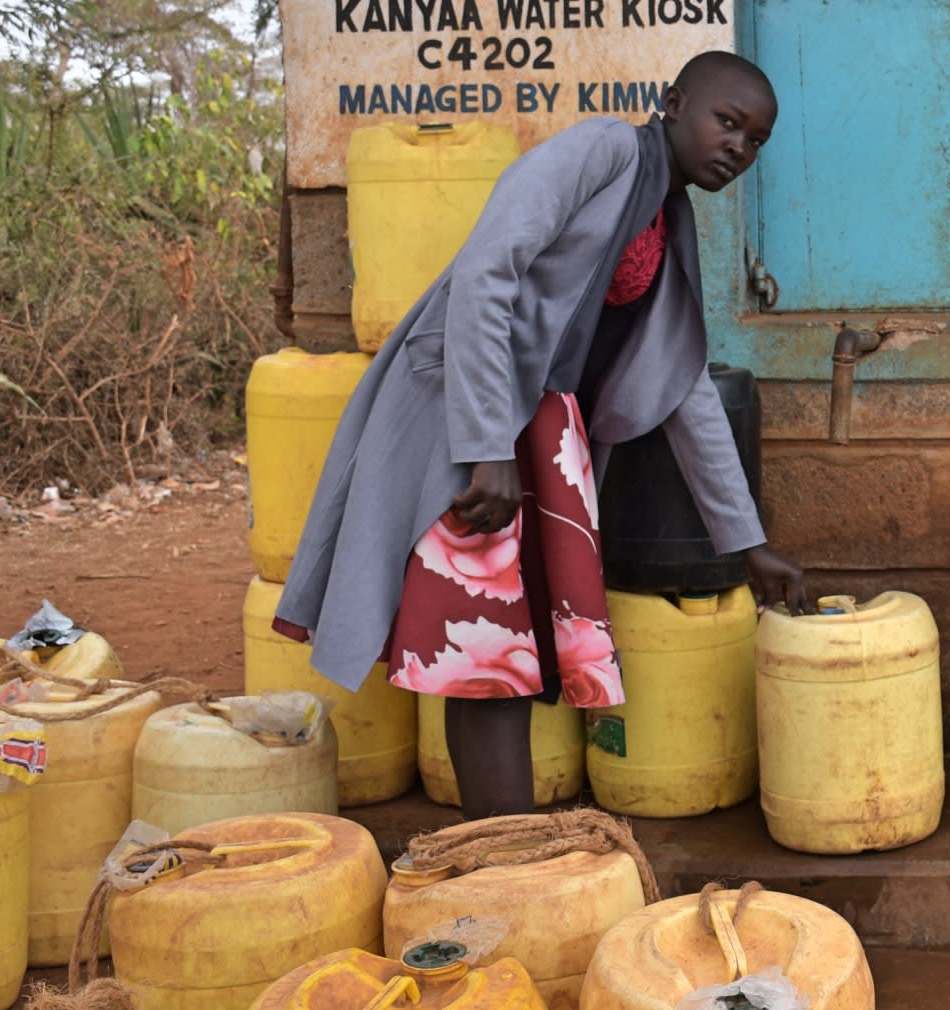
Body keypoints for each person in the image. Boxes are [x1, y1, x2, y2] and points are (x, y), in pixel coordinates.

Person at [275, 50, 809, 818]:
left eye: (755, 140)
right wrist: (487, 447)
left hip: (538, 431)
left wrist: (747, 541)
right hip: (469, 409)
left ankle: (510, 855)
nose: (738, 147)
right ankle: (509, 861)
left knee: (511, 655)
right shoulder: (601, 151)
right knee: (484, 649)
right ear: (673, 101)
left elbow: (682, 382)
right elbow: (488, 269)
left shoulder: (666, 219)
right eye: (727, 121)